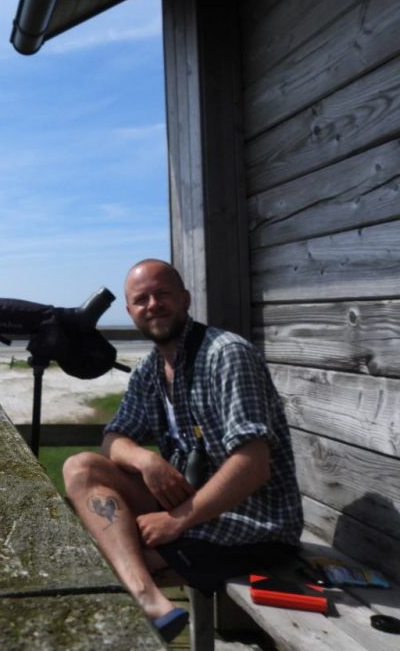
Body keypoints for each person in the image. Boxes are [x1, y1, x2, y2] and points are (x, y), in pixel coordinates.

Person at [62, 259, 303, 641]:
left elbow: (253, 465)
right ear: (130, 312)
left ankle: (146, 606)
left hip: (254, 525)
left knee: (112, 557)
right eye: (141, 300)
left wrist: (177, 521)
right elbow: (113, 439)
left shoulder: (226, 354)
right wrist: (146, 460)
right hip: (193, 507)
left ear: (185, 299)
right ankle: (151, 601)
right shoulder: (150, 371)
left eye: (163, 294)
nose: (153, 305)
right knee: (81, 468)